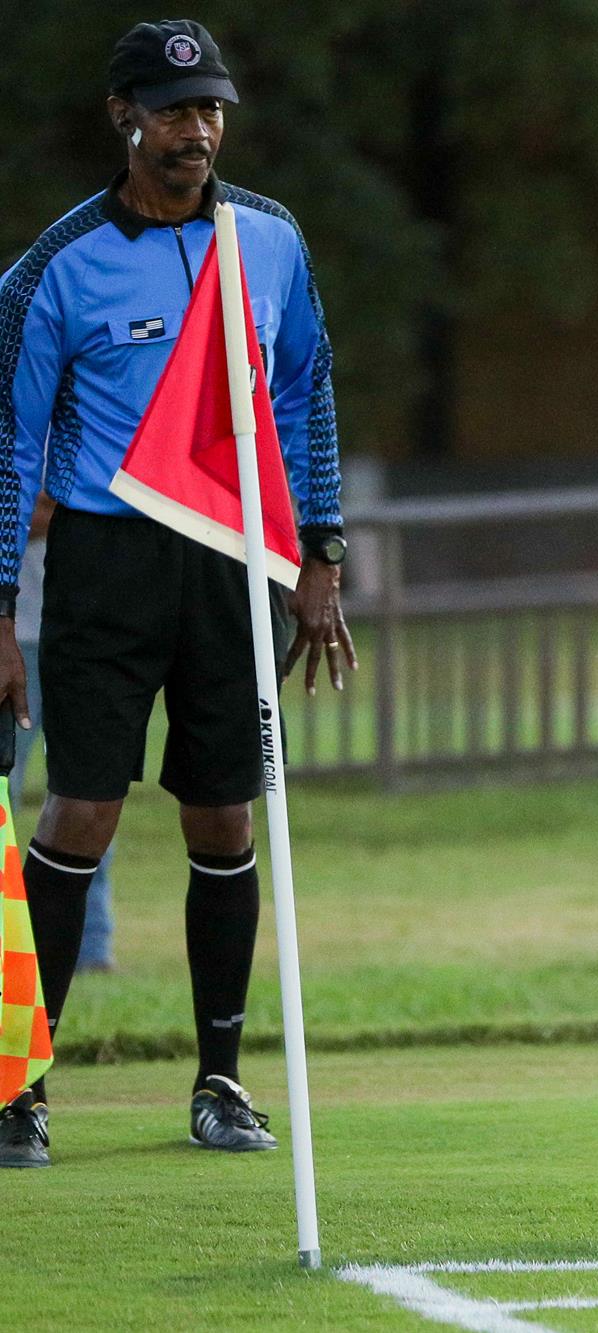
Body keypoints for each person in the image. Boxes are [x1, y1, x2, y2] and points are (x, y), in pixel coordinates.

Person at [0, 20, 355, 1169]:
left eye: (210, 109)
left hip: (232, 559)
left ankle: (220, 1081)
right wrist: (0, 610)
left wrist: (322, 557)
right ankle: (21, 1089)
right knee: (80, 814)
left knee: (225, 817)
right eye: (173, 108)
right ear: (125, 116)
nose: (197, 129)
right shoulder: (55, 267)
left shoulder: (270, 241)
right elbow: (9, 447)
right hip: (104, 563)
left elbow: (304, 393)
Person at [8, 498, 118, 973]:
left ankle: (92, 947)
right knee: (4, 795)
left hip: (84, 630)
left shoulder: (88, 424)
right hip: (13, 637)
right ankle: (10, 940)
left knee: (91, 791)